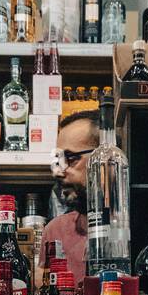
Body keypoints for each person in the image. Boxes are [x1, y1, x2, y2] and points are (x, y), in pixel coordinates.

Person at [41, 109, 99, 283]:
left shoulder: (132, 229)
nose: (58, 172)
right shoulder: (55, 231)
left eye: (71, 158)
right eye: (58, 161)